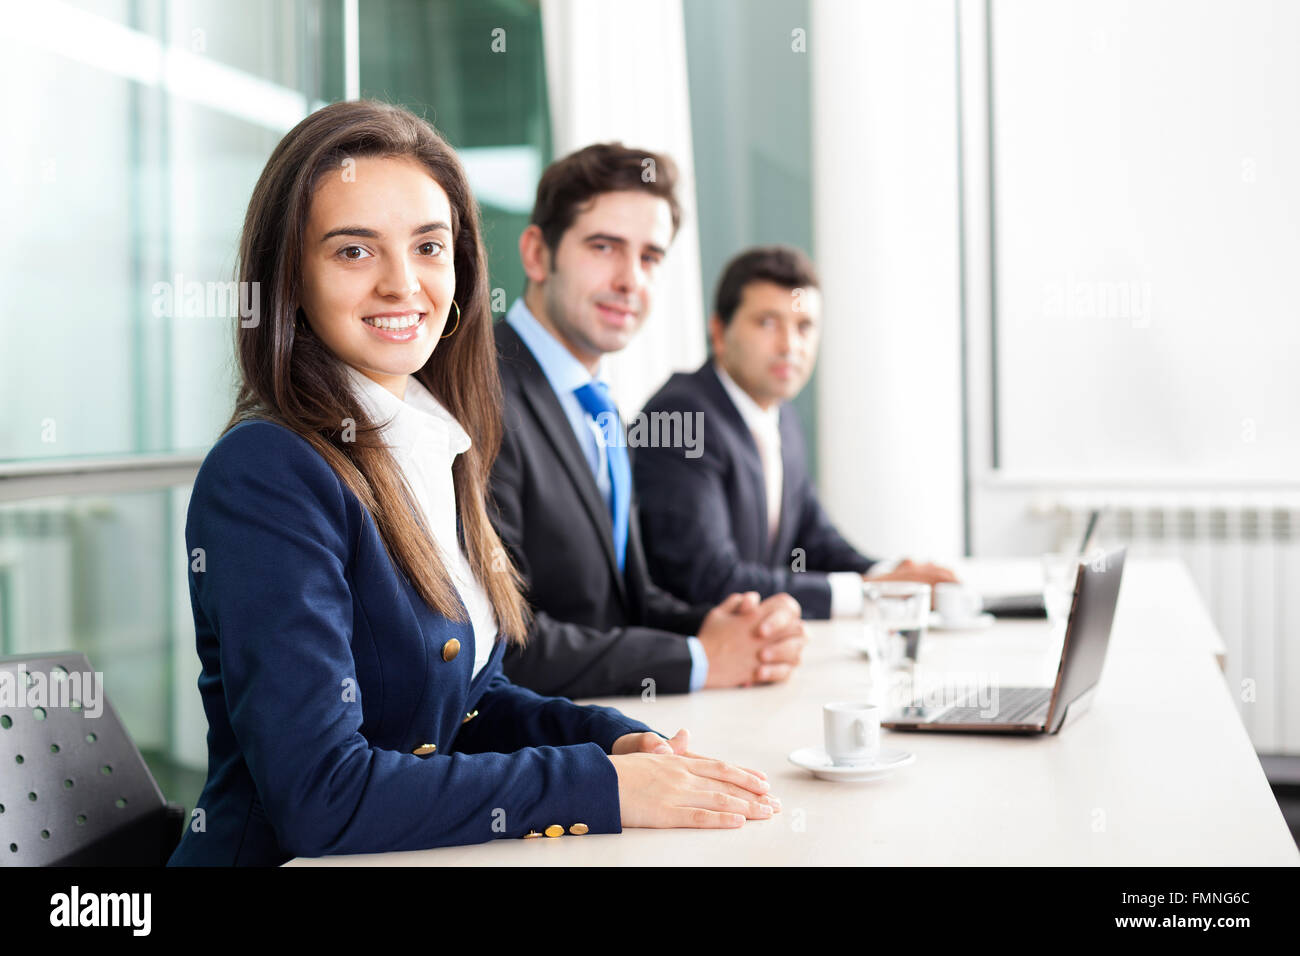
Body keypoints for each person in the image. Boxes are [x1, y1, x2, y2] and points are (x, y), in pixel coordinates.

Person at [168, 102, 777, 867]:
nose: (403, 283)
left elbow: (472, 703)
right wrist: (604, 787)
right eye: (354, 251)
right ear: (290, 276)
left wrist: (613, 740)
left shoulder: (433, 442)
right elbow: (322, 797)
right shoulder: (269, 472)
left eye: (428, 246)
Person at [491, 144, 809, 699]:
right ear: (538, 254)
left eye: (650, 257)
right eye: (604, 247)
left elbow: (623, 604)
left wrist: (723, 627)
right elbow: (503, 645)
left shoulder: (598, 403)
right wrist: (697, 658)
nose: (631, 279)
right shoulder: (481, 392)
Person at [634, 245, 957, 620]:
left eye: (804, 327)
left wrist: (891, 577)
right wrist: (869, 593)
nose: (790, 346)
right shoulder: (679, 416)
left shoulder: (781, 415)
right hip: (692, 663)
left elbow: (815, 541)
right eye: (768, 323)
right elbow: (709, 579)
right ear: (719, 332)